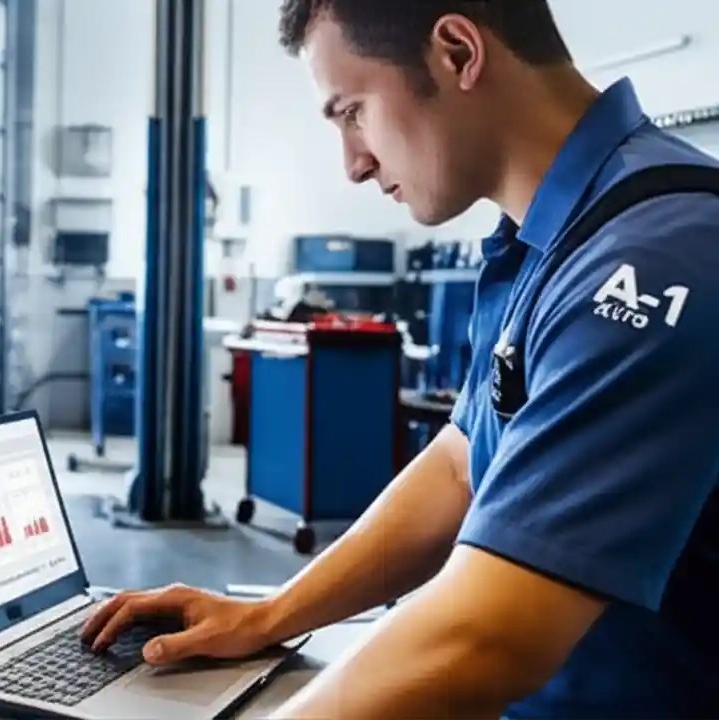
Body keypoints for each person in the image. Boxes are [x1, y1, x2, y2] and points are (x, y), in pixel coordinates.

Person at [80, 0, 719, 717]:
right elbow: (460, 465)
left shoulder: (657, 255)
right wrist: (268, 617)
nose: (353, 164)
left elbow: (488, 637)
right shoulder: (549, 243)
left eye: (352, 112)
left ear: (457, 52)